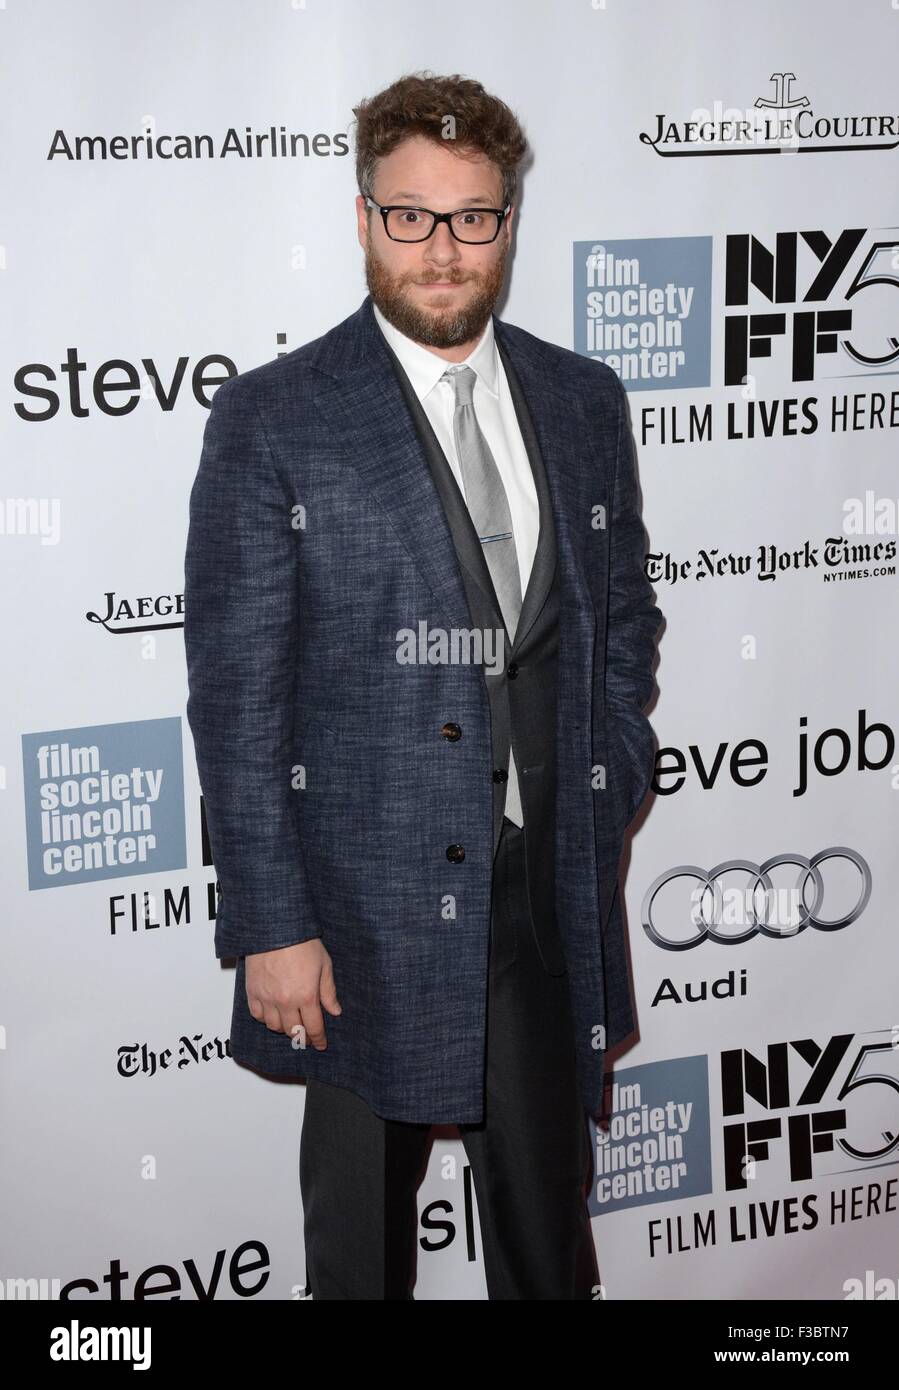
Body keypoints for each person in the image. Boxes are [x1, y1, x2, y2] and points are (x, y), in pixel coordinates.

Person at [184, 70, 662, 1300]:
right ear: (362, 218)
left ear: (509, 220)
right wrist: (271, 923)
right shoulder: (275, 419)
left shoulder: (580, 399)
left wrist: (607, 779)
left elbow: (621, 616)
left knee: (548, 1240)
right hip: (352, 911)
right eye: (410, 215)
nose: (441, 250)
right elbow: (237, 700)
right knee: (359, 1259)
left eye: (472, 216)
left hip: (538, 889)